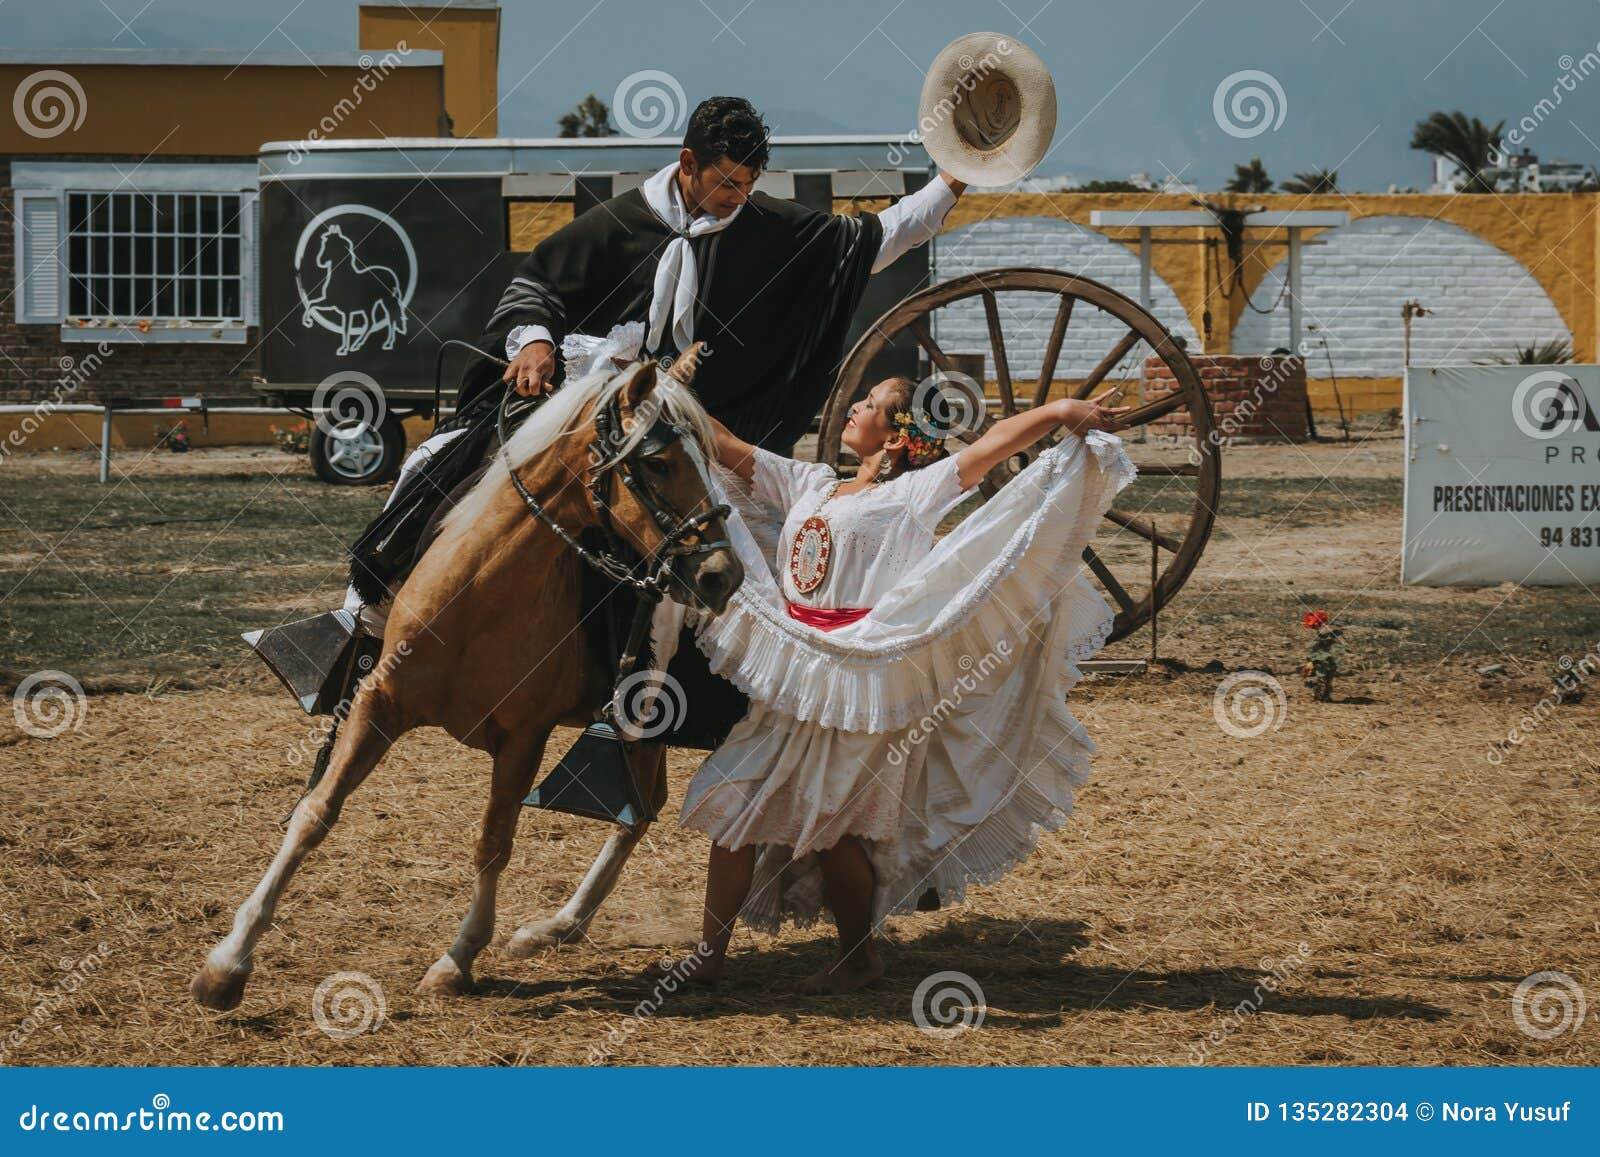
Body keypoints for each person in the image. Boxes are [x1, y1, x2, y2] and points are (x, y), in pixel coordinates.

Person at [337, 98, 966, 749]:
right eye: (726, 182)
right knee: (429, 459)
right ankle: (362, 628)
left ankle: (637, 708)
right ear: (688, 163)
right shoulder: (617, 225)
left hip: (682, 440)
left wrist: (953, 180)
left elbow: (872, 239)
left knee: (692, 549)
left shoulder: (760, 228)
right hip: (580, 418)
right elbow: (538, 286)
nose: (737, 198)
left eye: (749, 186)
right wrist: (532, 342)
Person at [649, 375, 1135, 992]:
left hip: (860, 681)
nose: (852, 406)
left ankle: (846, 958)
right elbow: (720, 441)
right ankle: (726, 958)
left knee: (829, 830)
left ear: (900, 435)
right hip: (796, 673)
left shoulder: (913, 493)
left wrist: (1064, 408)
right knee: (731, 801)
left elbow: (996, 443)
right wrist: (657, 385)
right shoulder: (810, 483)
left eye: (871, 404)